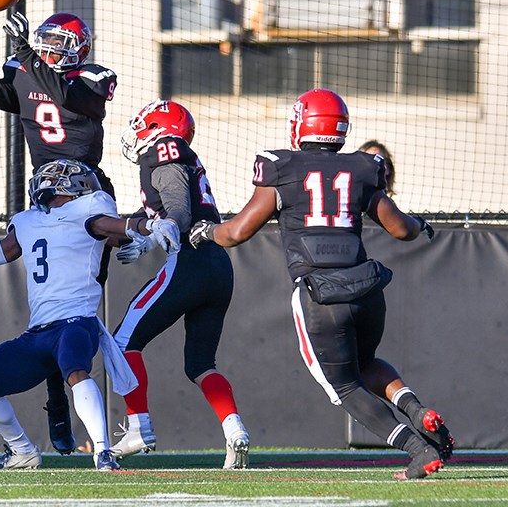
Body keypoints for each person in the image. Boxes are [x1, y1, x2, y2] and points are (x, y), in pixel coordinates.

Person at [189, 89, 454, 480]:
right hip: (366, 288)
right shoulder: (363, 167)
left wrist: (206, 232)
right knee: (365, 365)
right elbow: (401, 228)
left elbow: (238, 232)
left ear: (303, 123)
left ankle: (418, 450)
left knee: (344, 387)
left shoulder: (281, 167)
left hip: (319, 294)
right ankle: (417, 410)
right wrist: (422, 224)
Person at [0, 159, 181, 471]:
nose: (87, 185)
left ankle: (102, 452)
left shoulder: (88, 213)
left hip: (77, 323)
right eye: (78, 180)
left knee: (76, 371)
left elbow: (118, 227)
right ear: (59, 186)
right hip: (38, 334)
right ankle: (22, 451)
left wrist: (149, 228)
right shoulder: (28, 222)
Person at [0, 0, 119, 455]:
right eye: (45, 43)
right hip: (46, 192)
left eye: (58, 44)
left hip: (87, 191)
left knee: (80, 299)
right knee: (50, 301)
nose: (49, 51)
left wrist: (27, 52)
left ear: (80, 49)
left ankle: (90, 400)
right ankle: (57, 401)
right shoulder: (28, 67)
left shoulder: (93, 79)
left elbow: (67, 97)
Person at [106, 100, 251, 469]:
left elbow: (179, 214)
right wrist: (138, 233)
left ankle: (139, 426)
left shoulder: (164, 152)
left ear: (158, 128)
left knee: (122, 341)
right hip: (219, 267)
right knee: (200, 363)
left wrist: (149, 241)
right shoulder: (179, 156)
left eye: (144, 124)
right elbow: (163, 212)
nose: (137, 131)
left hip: (190, 259)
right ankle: (235, 431)